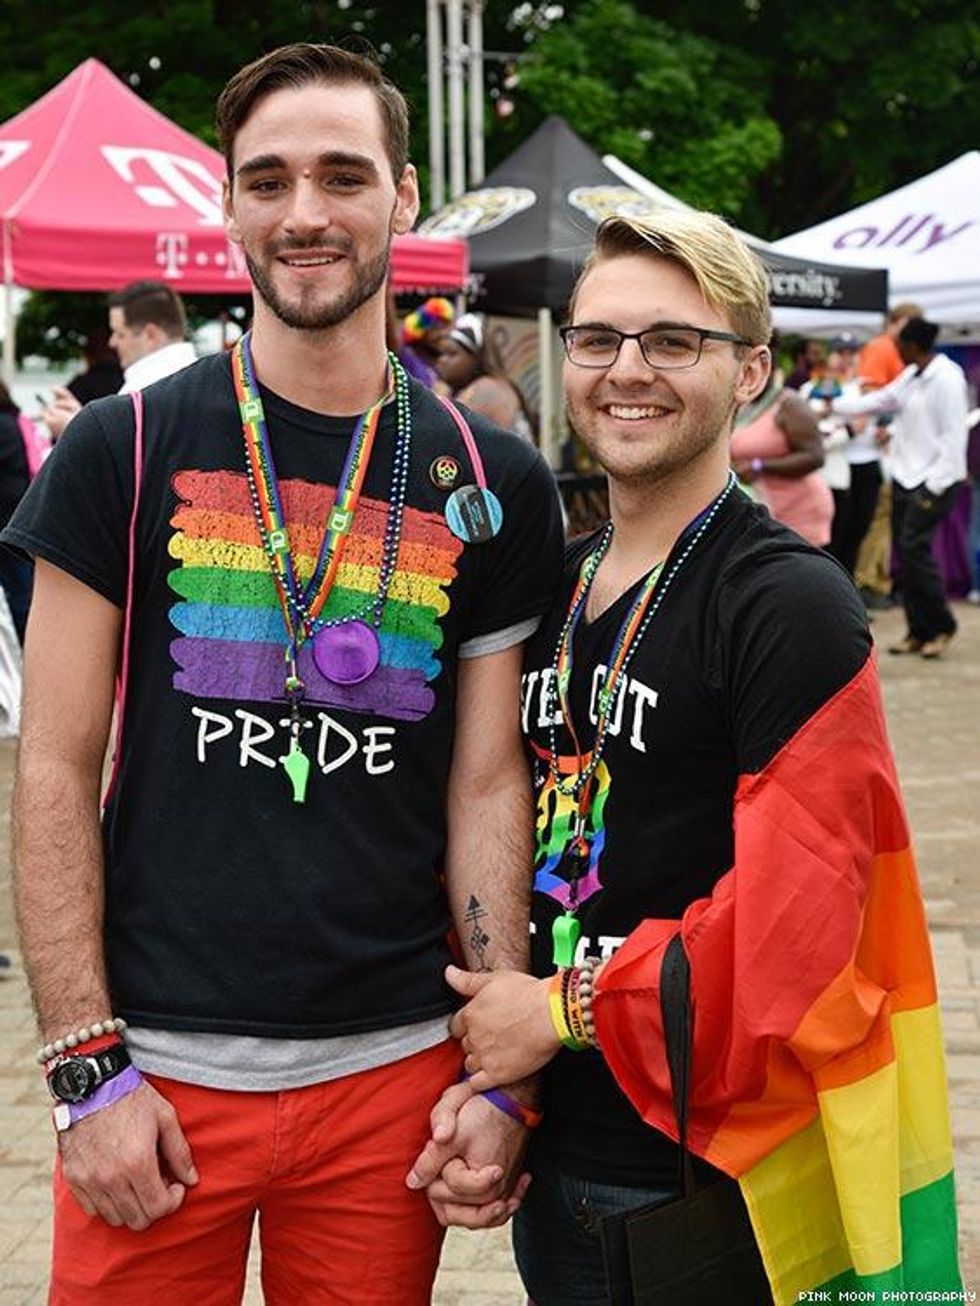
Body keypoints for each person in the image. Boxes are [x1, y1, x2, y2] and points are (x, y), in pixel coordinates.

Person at [2, 42, 562, 1304]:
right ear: (228, 204)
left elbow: (485, 781)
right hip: (157, 1073)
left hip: (391, 1080)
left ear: (403, 196)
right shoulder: (122, 445)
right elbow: (53, 765)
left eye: (340, 175)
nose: (303, 213)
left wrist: (495, 1072)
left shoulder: (492, 477)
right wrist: (86, 1068)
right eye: (267, 180)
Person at [409, 211, 962, 1304]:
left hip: (716, 1176)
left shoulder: (789, 605)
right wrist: (504, 1088)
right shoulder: (549, 591)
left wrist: (560, 1009)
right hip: (560, 1165)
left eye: (672, 341)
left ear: (750, 369)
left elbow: (797, 918)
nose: (627, 371)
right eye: (598, 338)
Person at [831, 316, 969, 658]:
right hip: (906, 477)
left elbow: (954, 437)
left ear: (913, 346)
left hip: (934, 481)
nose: (896, 353)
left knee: (915, 552)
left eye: (900, 347)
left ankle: (941, 626)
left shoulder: (948, 380)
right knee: (906, 557)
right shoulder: (912, 376)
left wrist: (935, 485)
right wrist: (834, 404)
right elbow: (881, 401)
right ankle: (917, 631)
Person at [42, 281, 197, 438]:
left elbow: (126, 454)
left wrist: (74, 432)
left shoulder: (144, 389)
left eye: (120, 333)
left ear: (150, 334)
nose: (112, 342)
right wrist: (82, 421)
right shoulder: (202, 378)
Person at [730, 338, 832, 546]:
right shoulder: (743, 404)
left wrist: (759, 466)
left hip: (799, 510)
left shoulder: (789, 404)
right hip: (764, 508)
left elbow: (815, 456)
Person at [853, 303, 922, 608]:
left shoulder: (893, 349)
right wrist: (885, 424)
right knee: (879, 518)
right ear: (895, 322)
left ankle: (876, 580)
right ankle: (869, 580)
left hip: (886, 451)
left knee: (883, 519)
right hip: (876, 452)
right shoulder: (883, 347)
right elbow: (870, 391)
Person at [436, 313, 537, 443]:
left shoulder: (486, 388)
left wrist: (439, 398)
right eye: (441, 354)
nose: (442, 360)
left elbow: (443, 434)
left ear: (475, 358)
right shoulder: (491, 384)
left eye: (452, 354)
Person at [0, 382, 41, 642]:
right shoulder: (14, 419)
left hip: (7, 521)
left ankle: (29, 645)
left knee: (20, 595)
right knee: (21, 591)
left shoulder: (3, 424)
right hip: (18, 518)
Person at [397, 294, 455, 387]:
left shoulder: (438, 358)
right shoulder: (408, 356)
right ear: (421, 331)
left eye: (446, 327)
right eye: (437, 328)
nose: (444, 334)